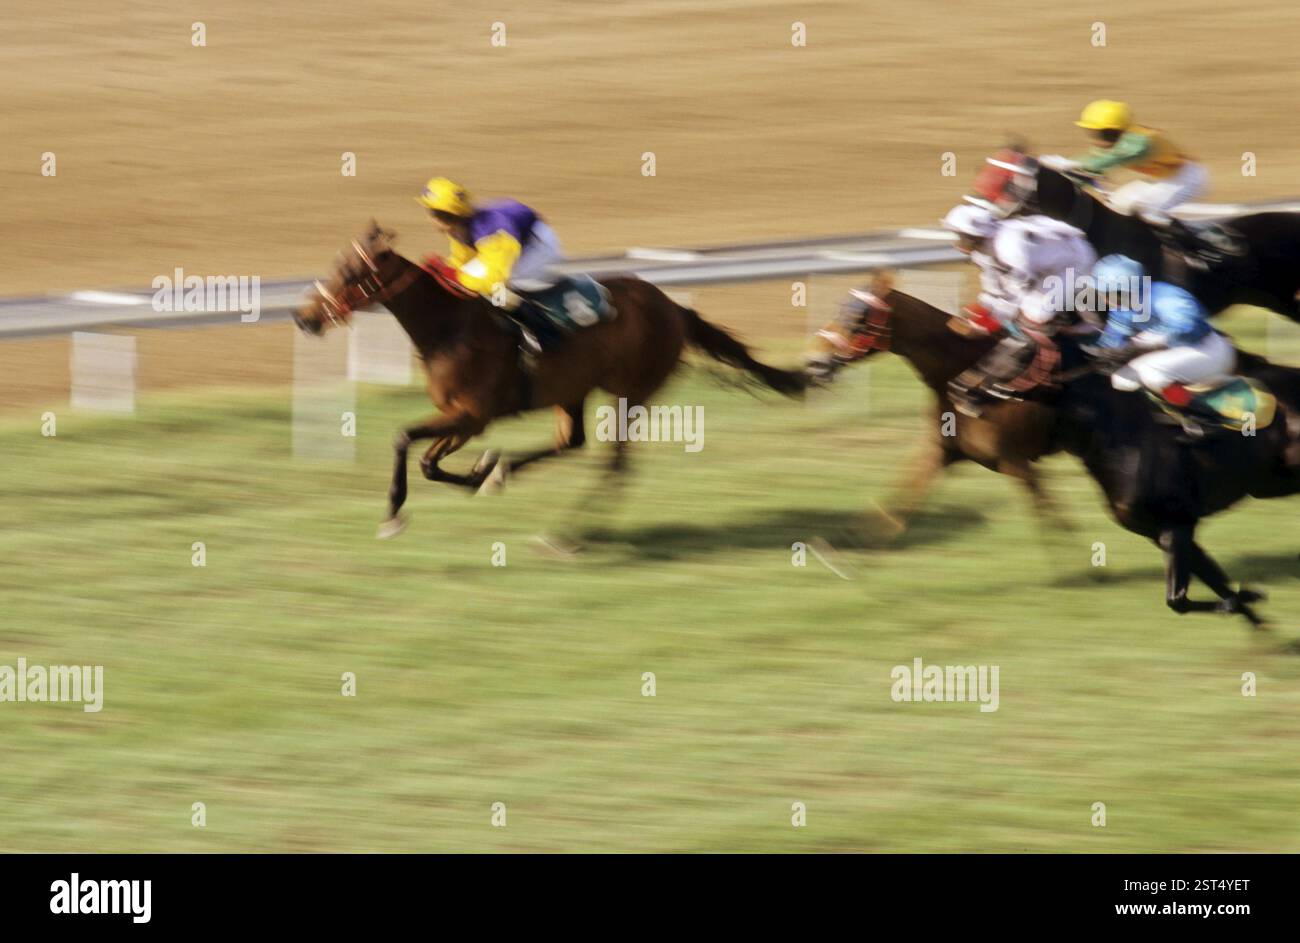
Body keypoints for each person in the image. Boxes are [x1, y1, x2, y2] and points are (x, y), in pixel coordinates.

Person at [943, 205, 1097, 414]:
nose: (956, 241)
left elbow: (1018, 291)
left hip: (1074, 263)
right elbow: (993, 287)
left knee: (1033, 317)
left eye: (959, 235)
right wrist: (980, 313)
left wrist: (989, 323)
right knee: (1013, 314)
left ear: (974, 235)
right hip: (1046, 263)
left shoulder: (1009, 244)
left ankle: (1008, 383)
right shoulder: (983, 249)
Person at [415, 176, 567, 351]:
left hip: (538, 248)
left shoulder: (490, 232)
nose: (429, 218)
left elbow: (494, 278)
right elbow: (461, 260)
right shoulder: (458, 227)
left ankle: (547, 334)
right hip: (514, 244)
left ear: (444, 217)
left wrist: (457, 277)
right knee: (478, 282)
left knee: (498, 291)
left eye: (430, 213)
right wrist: (446, 270)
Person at [1085, 254, 1235, 423]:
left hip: (1208, 349)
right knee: (1121, 379)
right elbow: (1113, 340)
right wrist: (1106, 352)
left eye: (1105, 293)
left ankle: (1208, 416)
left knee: (1152, 374)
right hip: (1181, 354)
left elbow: (1187, 325)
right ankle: (1171, 412)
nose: (1103, 299)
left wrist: (1138, 344)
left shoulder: (1164, 296)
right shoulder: (1122, 308)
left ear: (1123, 291)